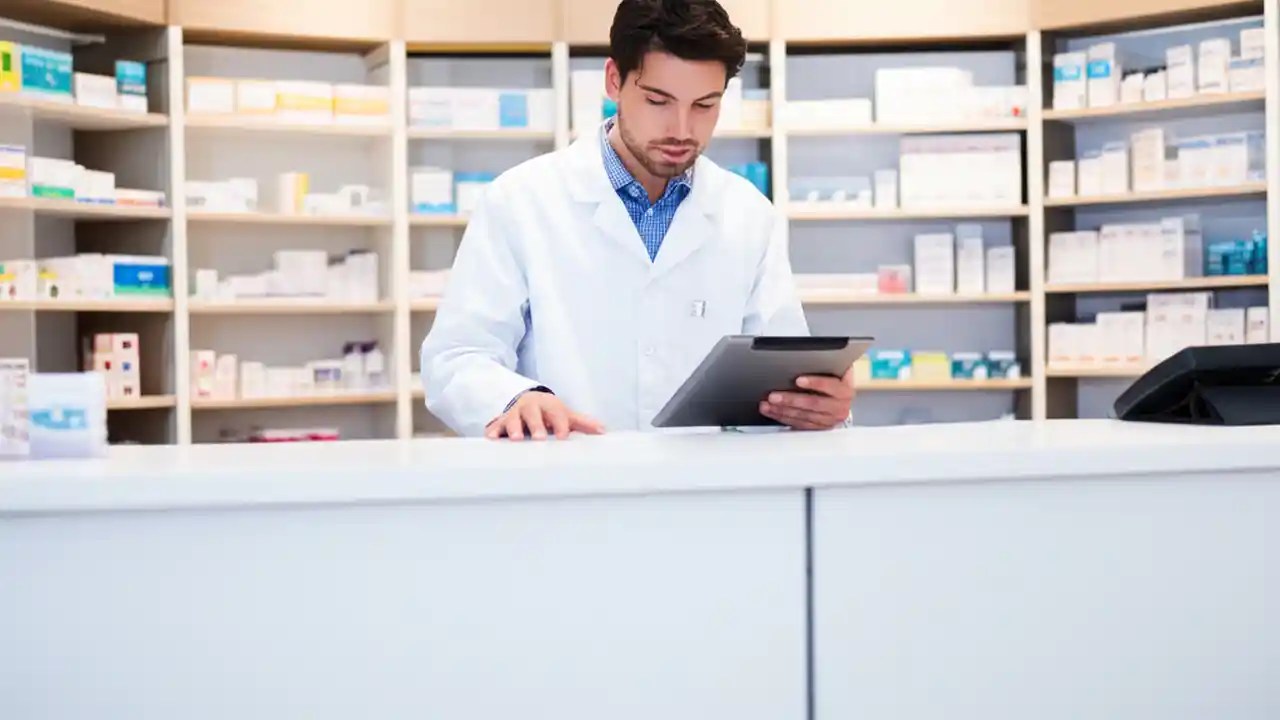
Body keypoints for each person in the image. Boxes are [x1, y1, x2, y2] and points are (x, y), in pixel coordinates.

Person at [420, 0, 856, 440]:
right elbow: (457, 357)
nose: (682, 129)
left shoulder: (748, 215)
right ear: (615, 81)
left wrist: (814, 403)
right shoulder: (521, 201)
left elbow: (777, 373)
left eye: (705, 105)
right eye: (658, 101)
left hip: (705, 493)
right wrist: (515, 397)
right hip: (565, 482)